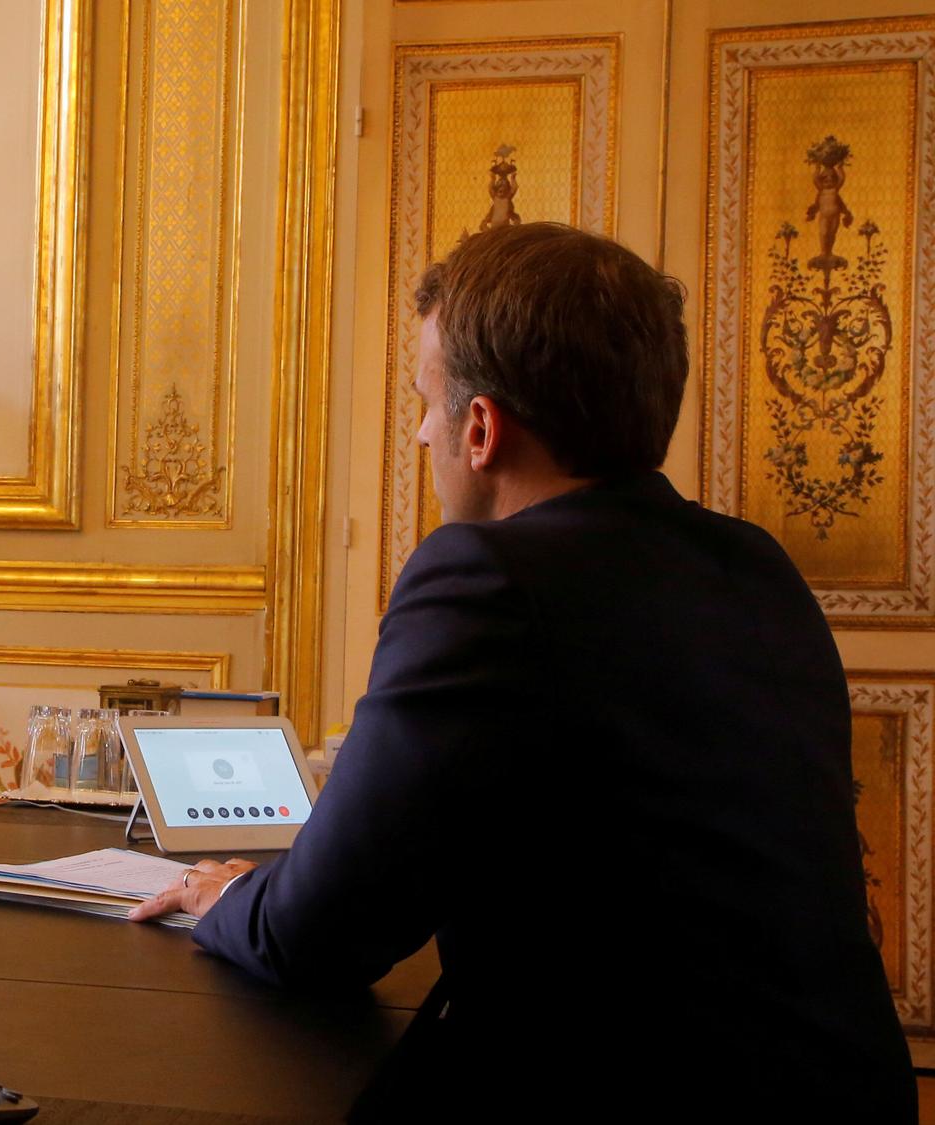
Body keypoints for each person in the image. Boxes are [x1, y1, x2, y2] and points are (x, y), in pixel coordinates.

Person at [129, 224, 911, 1118]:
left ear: (481, 426)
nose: (421, 432)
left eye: (424, 403)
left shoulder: (485, 578)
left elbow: (316, 932)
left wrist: (226, 894)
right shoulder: (754, 565)